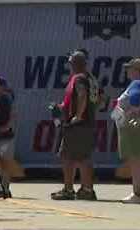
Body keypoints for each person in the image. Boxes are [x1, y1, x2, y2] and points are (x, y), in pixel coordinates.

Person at [51, 49, 99, 201]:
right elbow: (100, 99)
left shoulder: (79, 78)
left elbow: (82, 95)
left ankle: (73, 189)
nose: (69, 65)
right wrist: (62, 107)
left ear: (74, 63)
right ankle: (84, 189)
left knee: (70, 157)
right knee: (80, 156)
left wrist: (78, 116)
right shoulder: (90, 78)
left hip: (78, 125)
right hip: (87, 123)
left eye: (70, 62)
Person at [115, 58, 140, 205]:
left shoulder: (137, 83)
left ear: (137, 71)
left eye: (130, 68)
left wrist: (130, 112)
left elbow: (135, 100)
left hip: (134, 127)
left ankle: (138, 194)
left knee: (136, 160)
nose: (127, 71)